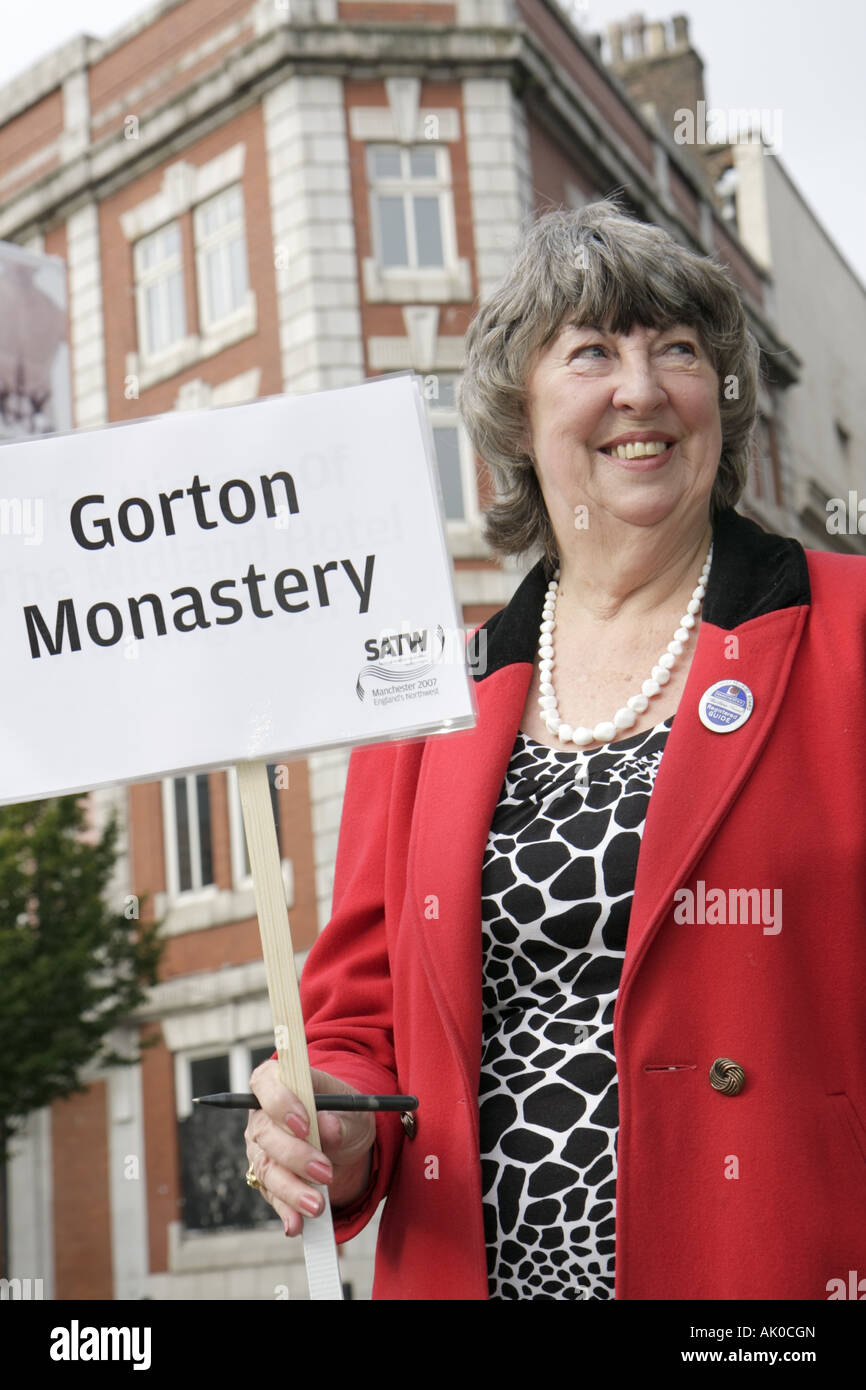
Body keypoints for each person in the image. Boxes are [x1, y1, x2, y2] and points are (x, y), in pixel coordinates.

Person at [244, 199, 866, 1300]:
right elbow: (357, 1019)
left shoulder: (848, 633)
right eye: (592, 352)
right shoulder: (428, 691)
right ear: (516, 418)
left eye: (676, 349)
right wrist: (330, 1122)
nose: (641, 387)